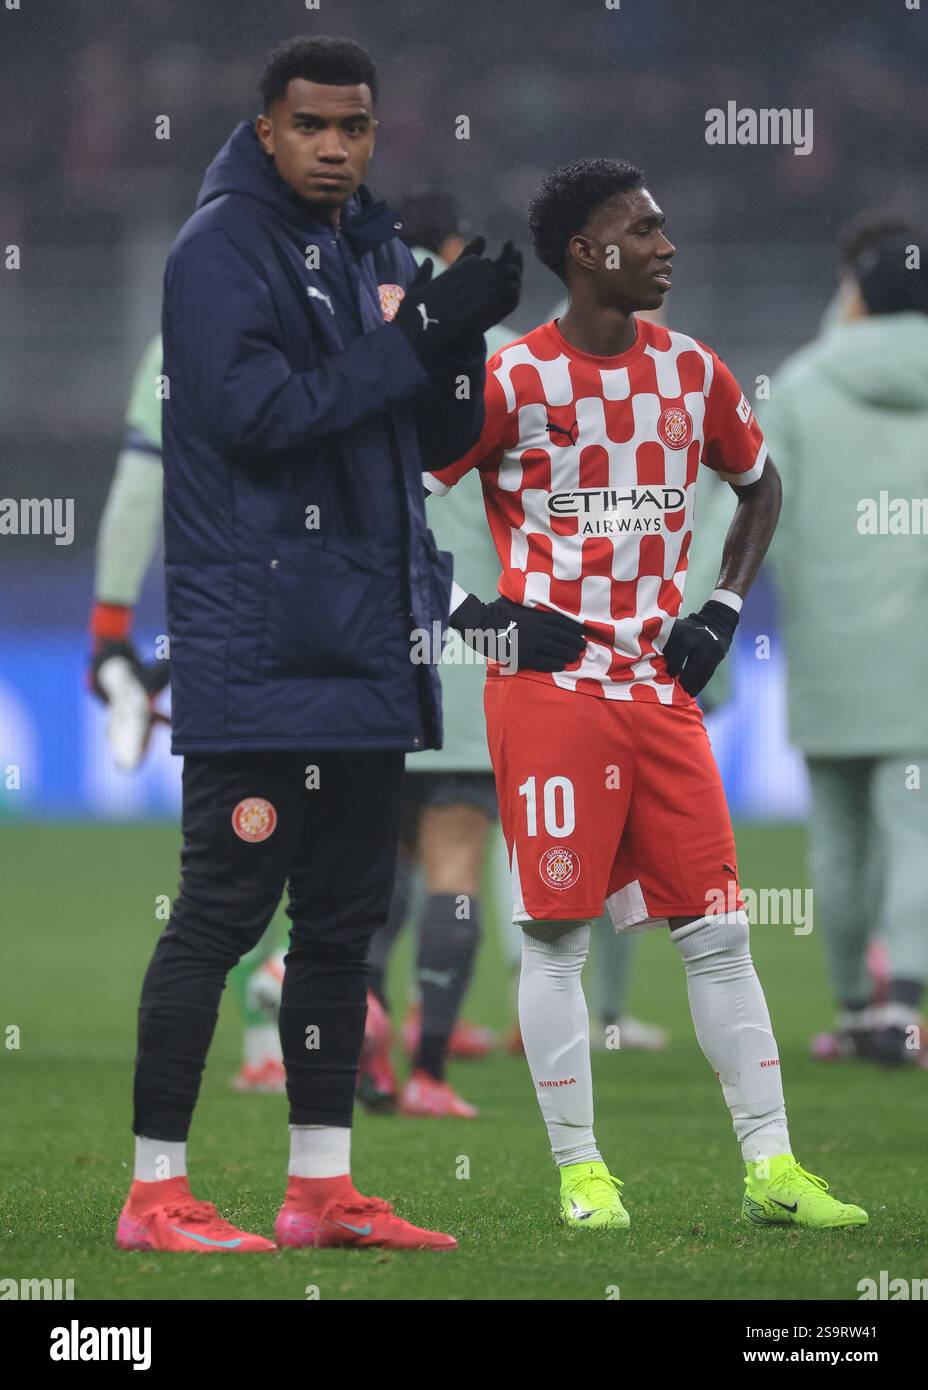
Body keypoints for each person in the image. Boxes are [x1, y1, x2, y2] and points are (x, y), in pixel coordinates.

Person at [116, 34, 536, 1256]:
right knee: (217, 917)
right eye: (313, 126)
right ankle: (153, 1193)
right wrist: (409, 341)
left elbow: (427, 440)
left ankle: (320, 1188)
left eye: (354, 126)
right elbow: (256, 420)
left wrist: (453, 341)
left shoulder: (365, 249)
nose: (337, 147)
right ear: (266, 129)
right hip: (261, 645)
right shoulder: (217, 253)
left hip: (365, 642)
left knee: (342, 926)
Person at [424, 158, 868, 1231]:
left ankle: (772, 1170)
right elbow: (393, 501)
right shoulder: (513, 381)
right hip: (550, 692)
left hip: (658, 692)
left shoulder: (692, 371)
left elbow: (758, 483)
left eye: (665, 228)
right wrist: (482, 618)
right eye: (645, 229)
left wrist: (719, 605)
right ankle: (581, 1172)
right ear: (586, 251)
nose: (667, 246)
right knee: (558, 935)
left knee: (717, 929)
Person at [87, 334, 291, 1095]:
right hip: (352, 625)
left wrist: (111, 634)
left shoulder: (179, 344)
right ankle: (305, 1021)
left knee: (238, 860)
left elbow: (142, 484)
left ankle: (262, 1048)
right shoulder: (369, 308)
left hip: (223, 627)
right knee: (363, 855)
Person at [762, 214, 928, 1070]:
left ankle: (855, 1009)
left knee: (837, 839)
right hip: (921, 656)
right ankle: (904, 1002)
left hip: (829, 645)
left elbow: (761, 511)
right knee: (916, 827)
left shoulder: (799, 382)